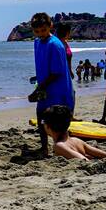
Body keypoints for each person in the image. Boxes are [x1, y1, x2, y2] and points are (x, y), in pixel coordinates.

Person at [29, 12, 75, 158]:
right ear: (33, 30)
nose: (40, 34)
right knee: (40, 116)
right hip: (45, 86)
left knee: (58, 122)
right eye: (37, 31)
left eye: (43, 30)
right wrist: (39, 80)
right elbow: (43, 64)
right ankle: (44, 148)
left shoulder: (55, 45)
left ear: (50, 26)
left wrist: (40, 88)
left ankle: (63, 147)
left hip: (58, 89)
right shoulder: (37, 42)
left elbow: (57, 72)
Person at [42, 105, 106, 161]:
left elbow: (83, 160)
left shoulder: (59, 146)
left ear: (48, 126)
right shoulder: (77, 140)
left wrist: (87, 159)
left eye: (43, 122)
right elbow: (105, 155)